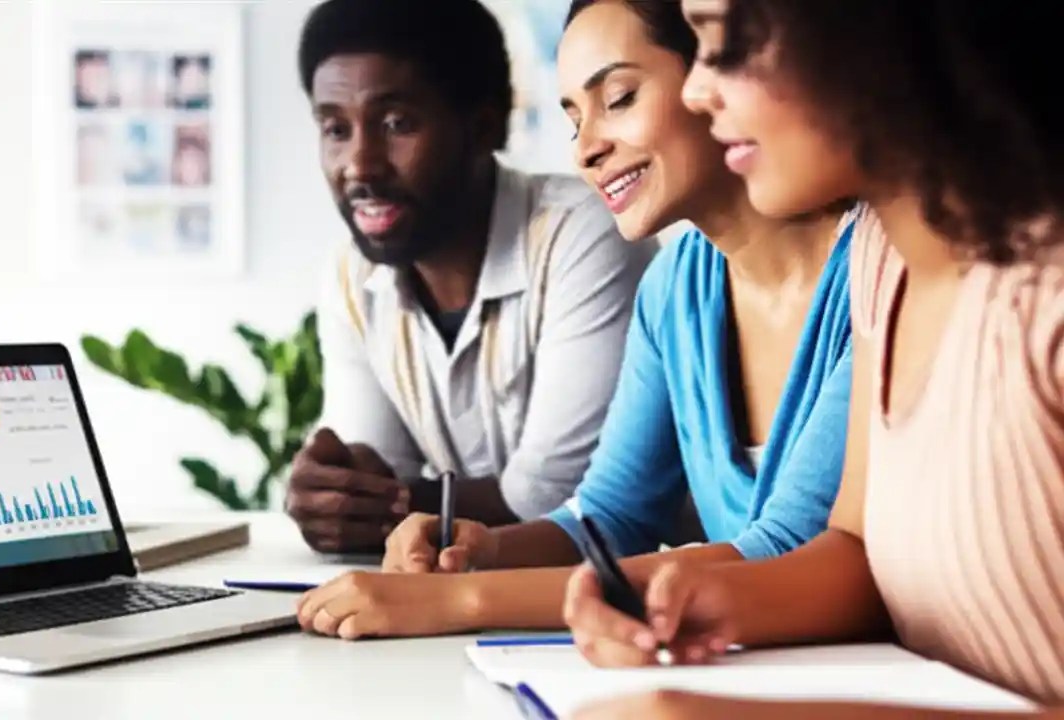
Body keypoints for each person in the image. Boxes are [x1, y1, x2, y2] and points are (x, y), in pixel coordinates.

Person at [295, 0, 860, 639]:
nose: (586, 150)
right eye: (574, 119)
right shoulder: (675, 290)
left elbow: (786, 551)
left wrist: (464, 601)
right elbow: (610, 514)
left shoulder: (872, 269)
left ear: (715, 76)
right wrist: (481, 553)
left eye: (618, 98)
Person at [562, 0, 1064, 717]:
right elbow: (854, 549)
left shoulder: (1045, 295)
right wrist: (702, 597)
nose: (700, 91)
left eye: (729, 44)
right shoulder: (883, 260)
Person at [286, 0, 655, 554]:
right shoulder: (352, 275)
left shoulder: (581, 233)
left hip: (633, 596)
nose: (360, 165)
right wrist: (335, 497)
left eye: (395, 124)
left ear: (485, 123)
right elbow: (374, 475)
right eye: (335, 129)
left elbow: (557, 498)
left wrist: (380, 505)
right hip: (474, 604)